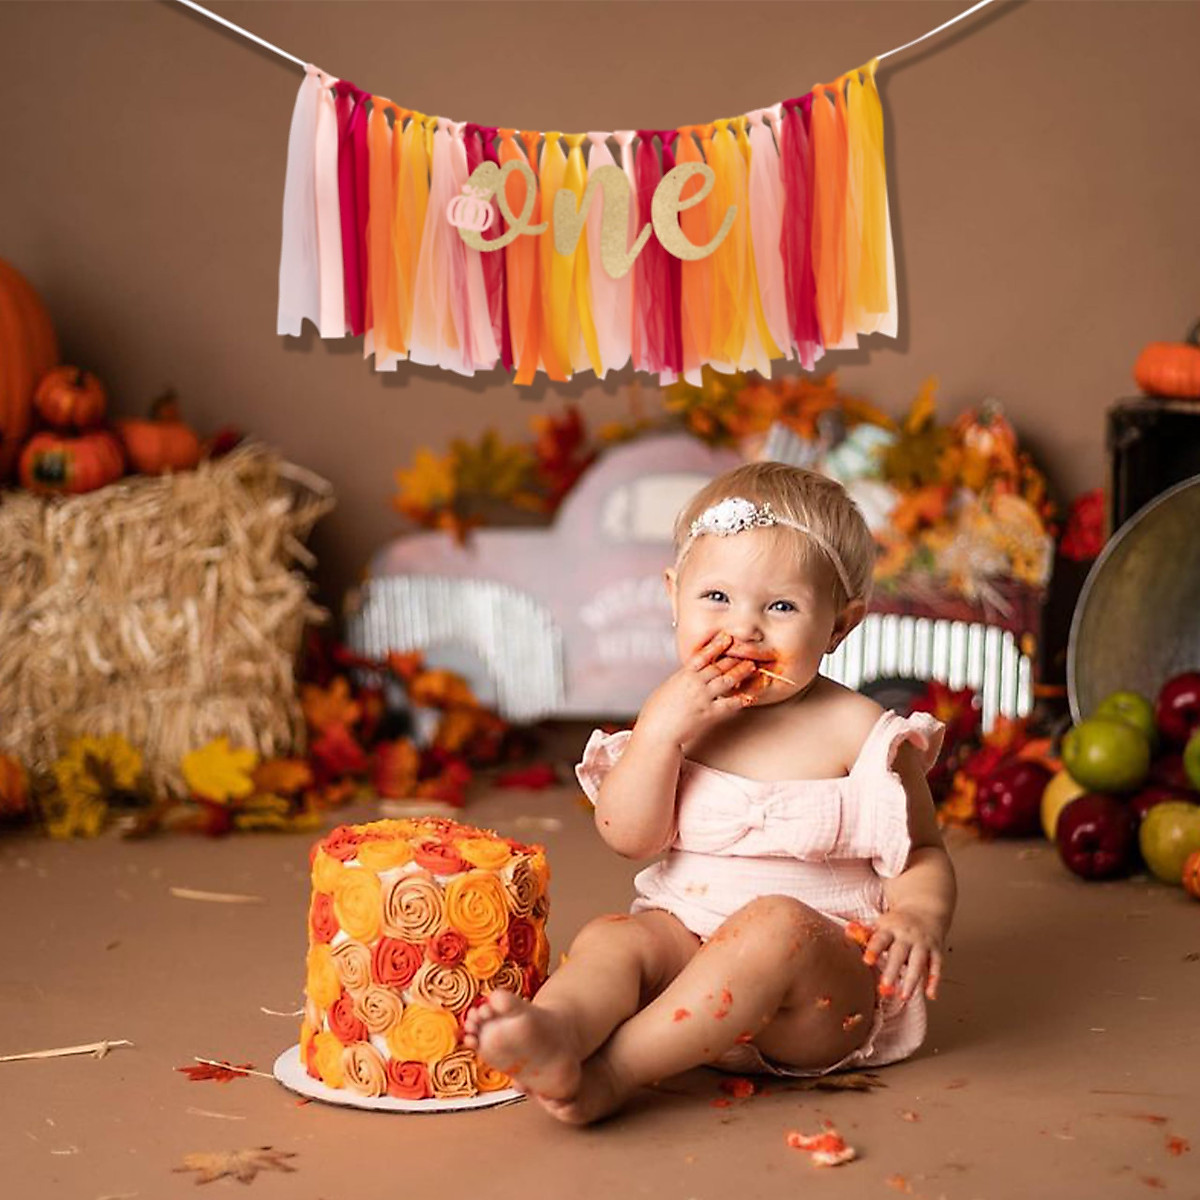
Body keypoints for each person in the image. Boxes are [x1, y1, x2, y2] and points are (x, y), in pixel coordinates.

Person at [464, 462, 957, 1124]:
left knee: (774, 923)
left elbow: (923, 851)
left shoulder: (862, 735)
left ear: (840, 627)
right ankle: (559, 1030)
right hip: (684, 967)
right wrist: (661, 735)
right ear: (674, 597)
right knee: (615, 937)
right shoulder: (677, 719)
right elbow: (628, 837)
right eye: (716, 598)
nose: (744, 629)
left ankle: (614, 1073)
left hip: (813, 997)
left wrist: (918, 915)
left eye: (781, 607)